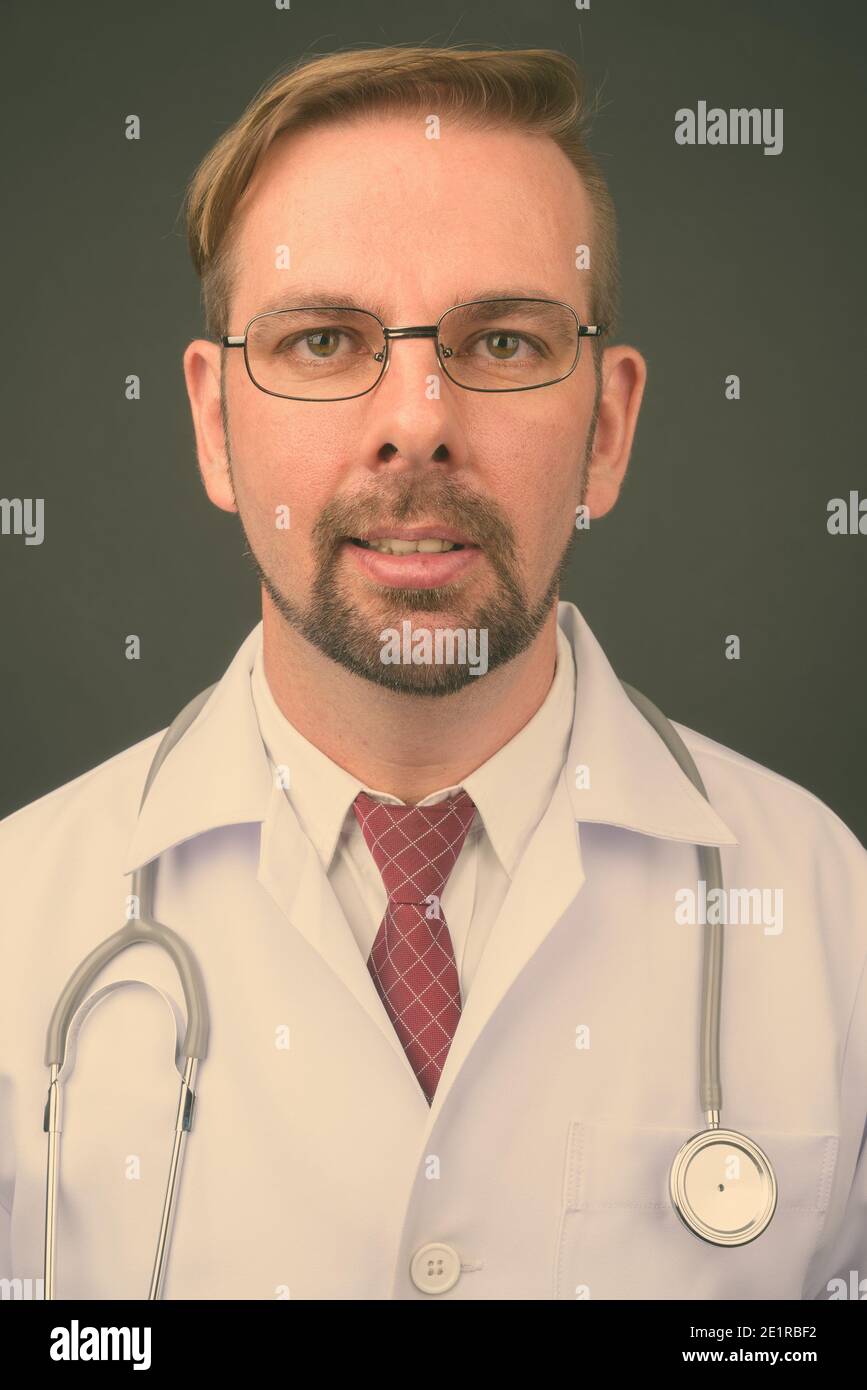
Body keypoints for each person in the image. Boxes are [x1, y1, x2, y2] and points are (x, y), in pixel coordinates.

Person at [0, 45, 864, 1302]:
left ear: (607, 431)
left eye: (503, 341)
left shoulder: (836, 924)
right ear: (213, 424)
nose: (417, 420)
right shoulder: (19, 919)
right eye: (323, 340)